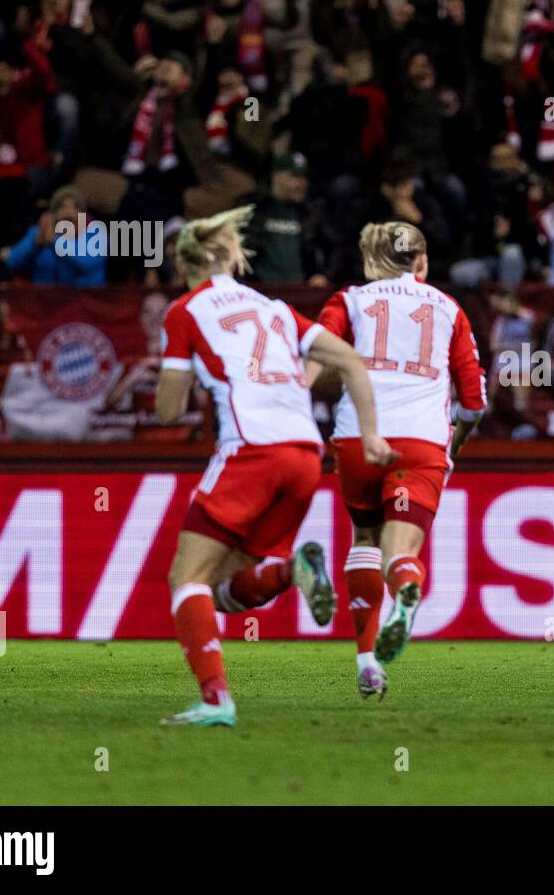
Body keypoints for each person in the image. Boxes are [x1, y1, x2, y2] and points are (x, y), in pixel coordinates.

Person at [154, 206, 394, 727]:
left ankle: (216, 701)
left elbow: (168, 412)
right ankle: (290, 572)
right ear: (230, 257)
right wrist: (370, 433)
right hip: (306, 456)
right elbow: (350, 359)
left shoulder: (184, 312)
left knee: (185, 578)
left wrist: (182, 376)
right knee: (225, 587)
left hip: (251, 452)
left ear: (182, 263)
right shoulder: (277, 309)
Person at [313, 221, 487, 699]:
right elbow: (474, 401)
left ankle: (368, 663)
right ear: (422, 262)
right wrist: (456, 445)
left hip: (357, 437)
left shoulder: (348, 301)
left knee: (364, 538)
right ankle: (405, 592)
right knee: (401, 553)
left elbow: (316, 349)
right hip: (423, 442)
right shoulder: (450, 309)